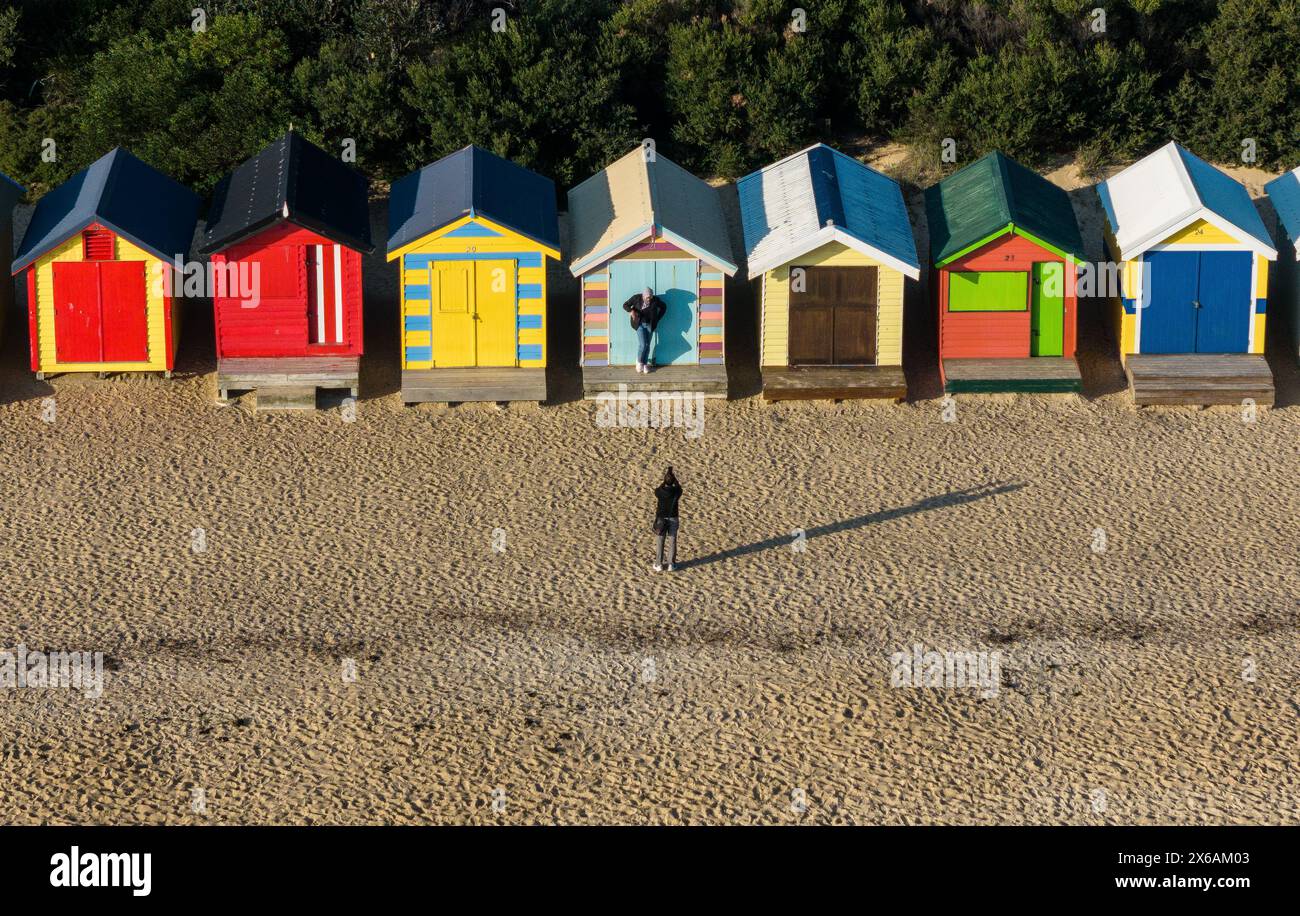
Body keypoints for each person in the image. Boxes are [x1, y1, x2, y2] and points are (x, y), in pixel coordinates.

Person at [623, 287, 666, 374]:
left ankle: (645, 364)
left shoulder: (655, 300)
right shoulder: (636, 298)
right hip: (639, 324)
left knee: (647, 345)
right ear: (643, 296)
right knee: (643, 345)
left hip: (650, 325)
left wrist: (658, 318)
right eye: (647, 297)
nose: (649, 299)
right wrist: (631, 311)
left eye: (650, 297)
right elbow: (625, 305)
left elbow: (664, 307)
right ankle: (639, 362)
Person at [653, 466, 682, 572]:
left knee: (660, 540)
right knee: (672, 540)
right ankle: (671, 564)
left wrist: (665, 480)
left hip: (661, 519)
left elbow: (659, 489)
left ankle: (659, 564)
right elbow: (679, 487)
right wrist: (674, 479)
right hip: (673, 518)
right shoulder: (676, 492)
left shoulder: (659, 492)